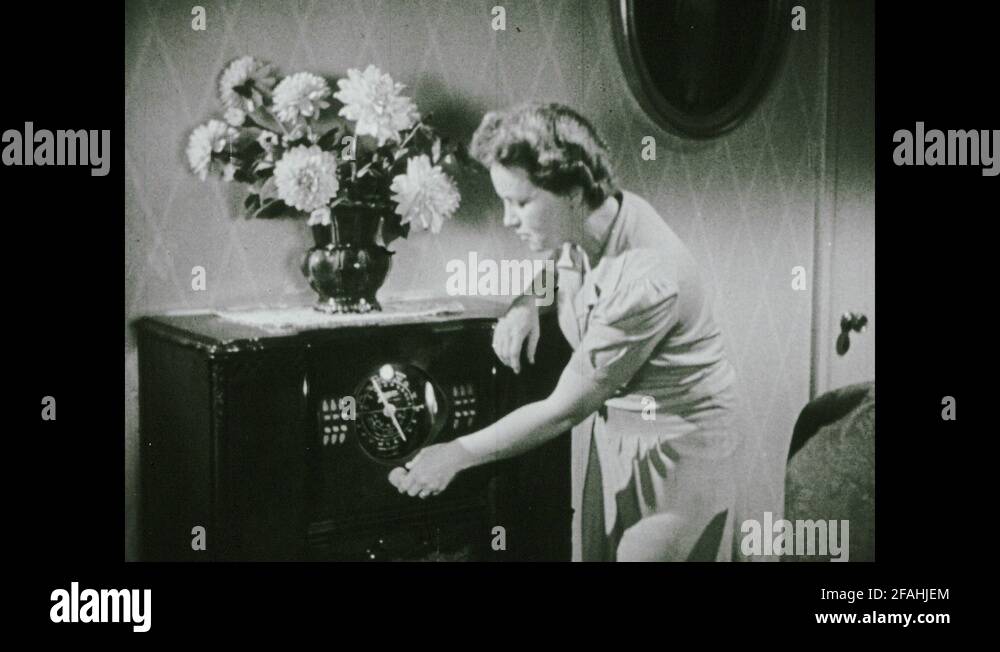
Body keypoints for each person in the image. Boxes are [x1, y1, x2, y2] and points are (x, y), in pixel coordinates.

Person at [389, 102, 742, 561]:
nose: (506, 219)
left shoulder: (646, 281)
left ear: (573, 192)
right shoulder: (600, 216)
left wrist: (456, 453)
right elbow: (559, 256)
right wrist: (528, 303)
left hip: (681, 452)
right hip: (617, 436)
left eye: (520, 202)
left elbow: (562, 410)